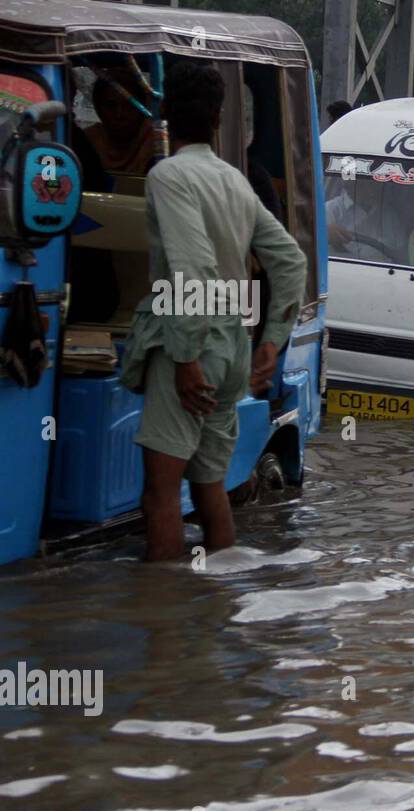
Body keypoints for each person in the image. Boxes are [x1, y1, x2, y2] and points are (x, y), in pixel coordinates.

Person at [119, 62, 307, 561]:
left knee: (160, 494)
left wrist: (183, 358)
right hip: (233, 350)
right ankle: (216, 610)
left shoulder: (168, 176)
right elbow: (290, 260)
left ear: (164, 114)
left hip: (191, 347)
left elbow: (193, 266)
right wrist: (270, 342)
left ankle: (167, 619)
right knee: (209, 489)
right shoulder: (235, 181)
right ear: (219, 118)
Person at [83, 74, 154, 175]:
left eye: (129, 105)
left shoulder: (156, 142)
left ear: (142, 108)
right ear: (98, 108)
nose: (119, 114)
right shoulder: (87, 140)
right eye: (111, 106)